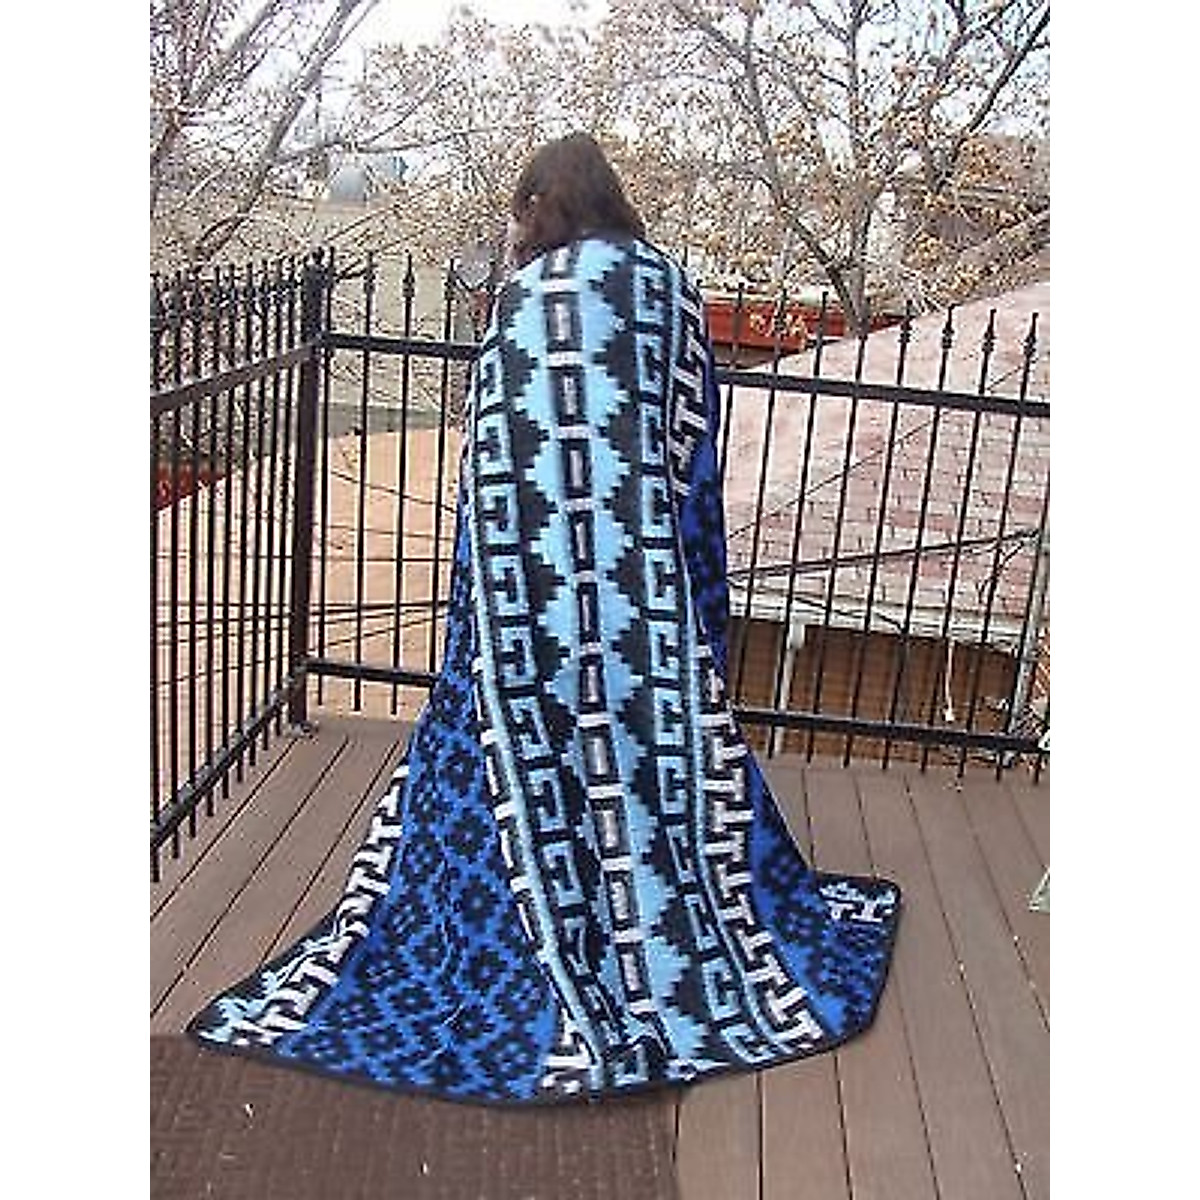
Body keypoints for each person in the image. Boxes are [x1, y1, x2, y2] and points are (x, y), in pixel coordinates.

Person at [189, 133, 901, 1104]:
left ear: (540, 207)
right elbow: (691, 447)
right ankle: (657, 929)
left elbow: (490, 456)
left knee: (517, 753)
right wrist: (687, 586)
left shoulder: (525, 299)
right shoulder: (670, 288)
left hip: (526, 591)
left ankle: (539, 916)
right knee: (643, 758)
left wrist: (481, 600)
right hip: (637, 586)